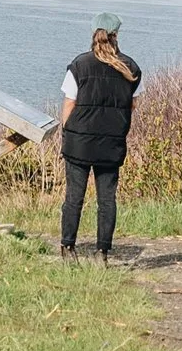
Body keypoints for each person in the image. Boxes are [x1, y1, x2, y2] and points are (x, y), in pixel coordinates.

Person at [56, 14, 141, 260]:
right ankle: (102, 252)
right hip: (111, 142)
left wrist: (67, 132)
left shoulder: (79, 65)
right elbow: (132, 105)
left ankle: (67, 247)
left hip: (79, 143)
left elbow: (69, 103)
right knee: (107, 200)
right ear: (117, 34)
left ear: (93, 32)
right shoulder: (131, 68)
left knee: (74, 197)